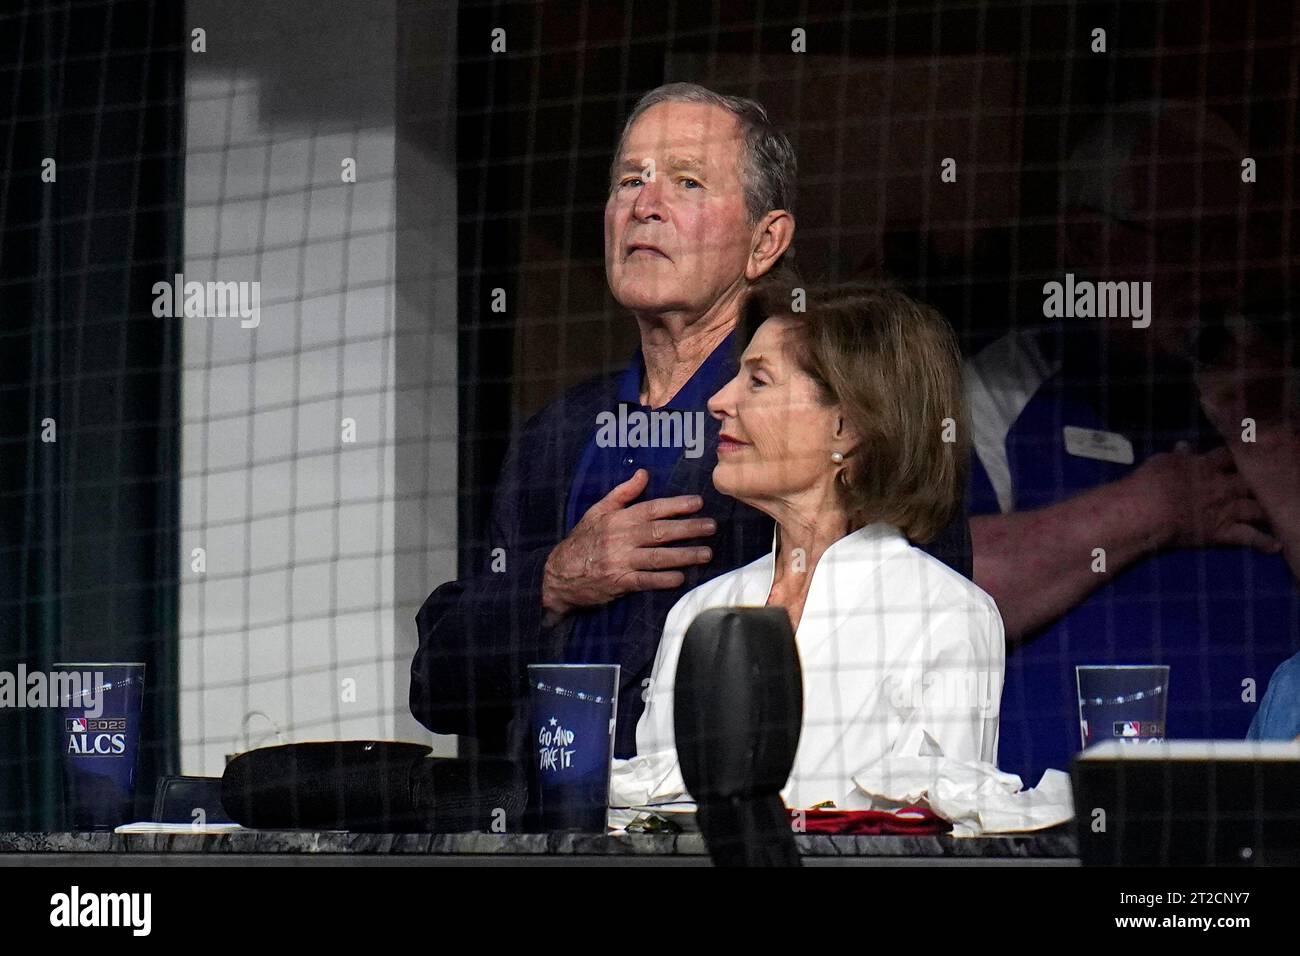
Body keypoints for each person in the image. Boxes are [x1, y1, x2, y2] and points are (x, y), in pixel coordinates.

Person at [411, 83, 975, 772]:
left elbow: (922, 620)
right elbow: (438, 687)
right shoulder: (556, 435)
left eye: (686, 181)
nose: (645, 206)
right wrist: (555, 580)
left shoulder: (821, 416)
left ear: (766, 240)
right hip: (556, 834)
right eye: (629, 181)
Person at [964, 101, 1300, 782]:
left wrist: (1267, 439)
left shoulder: (1277, 396)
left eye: (1235, 240)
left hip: (1263, 826)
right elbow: (929, 597)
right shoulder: (999, 389)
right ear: (1087, 244)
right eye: (1189, 240)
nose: (1221, 274)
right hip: (1040, 826)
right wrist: (1155, 509)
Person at [611, 288, 1004, 810]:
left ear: (846, 427)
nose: (718, 401)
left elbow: (931, 840)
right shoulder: (697, 612)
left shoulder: (947, 615)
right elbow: (654, 823)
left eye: (758, 380)